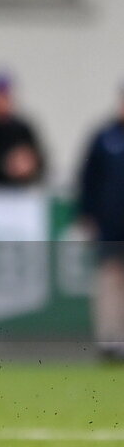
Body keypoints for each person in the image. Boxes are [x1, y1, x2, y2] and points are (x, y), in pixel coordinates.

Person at [77, 86, 124, 361]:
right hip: (110, 224)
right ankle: (109, 342)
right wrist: (88, 214)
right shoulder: (104, 137)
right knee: (109, 281)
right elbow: (87, 179)